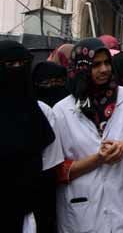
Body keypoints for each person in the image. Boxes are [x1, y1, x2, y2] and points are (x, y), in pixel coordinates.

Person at [52, 38, 123, 232]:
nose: (104, 70)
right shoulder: (61, 111)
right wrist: (98, 159)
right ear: (81, 68)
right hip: (83, 212)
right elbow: (57, 171)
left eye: (107, 63)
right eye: (96, 64)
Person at [1, 40, 61, 233]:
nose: (17, 70)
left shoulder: (43, 113)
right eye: (10, 65)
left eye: (22, 64)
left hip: (31, 213)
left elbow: (50, 170)